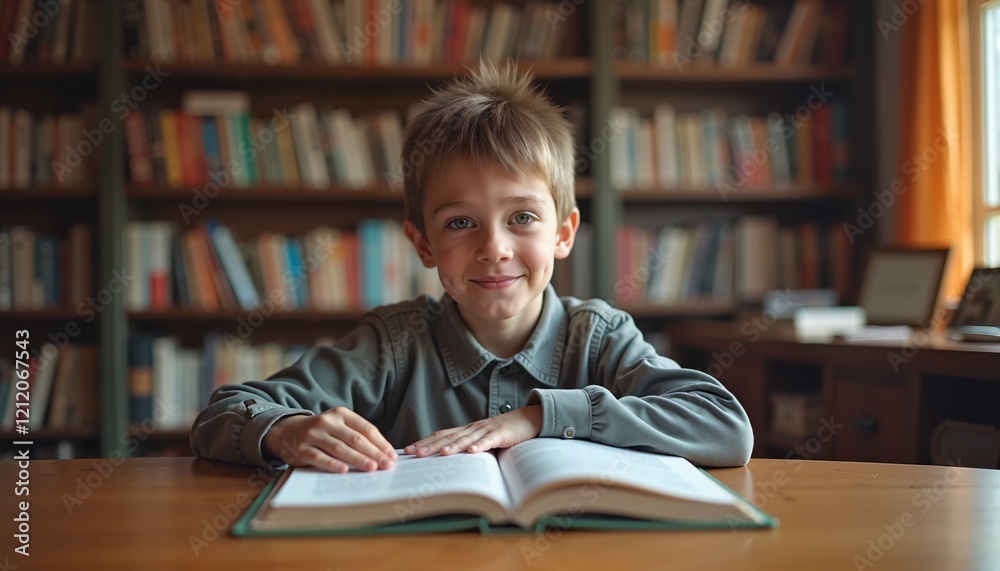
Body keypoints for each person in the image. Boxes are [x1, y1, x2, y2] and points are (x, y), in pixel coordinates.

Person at [190, 61, 753, 473]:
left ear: (564, 234)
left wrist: (539, 417)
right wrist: (287, 431)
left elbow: (725, 427)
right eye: (460, 223)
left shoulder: (600, 338)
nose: (495, 248)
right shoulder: (393, 345)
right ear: (423, 244)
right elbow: (220, 415)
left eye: (523, 218)